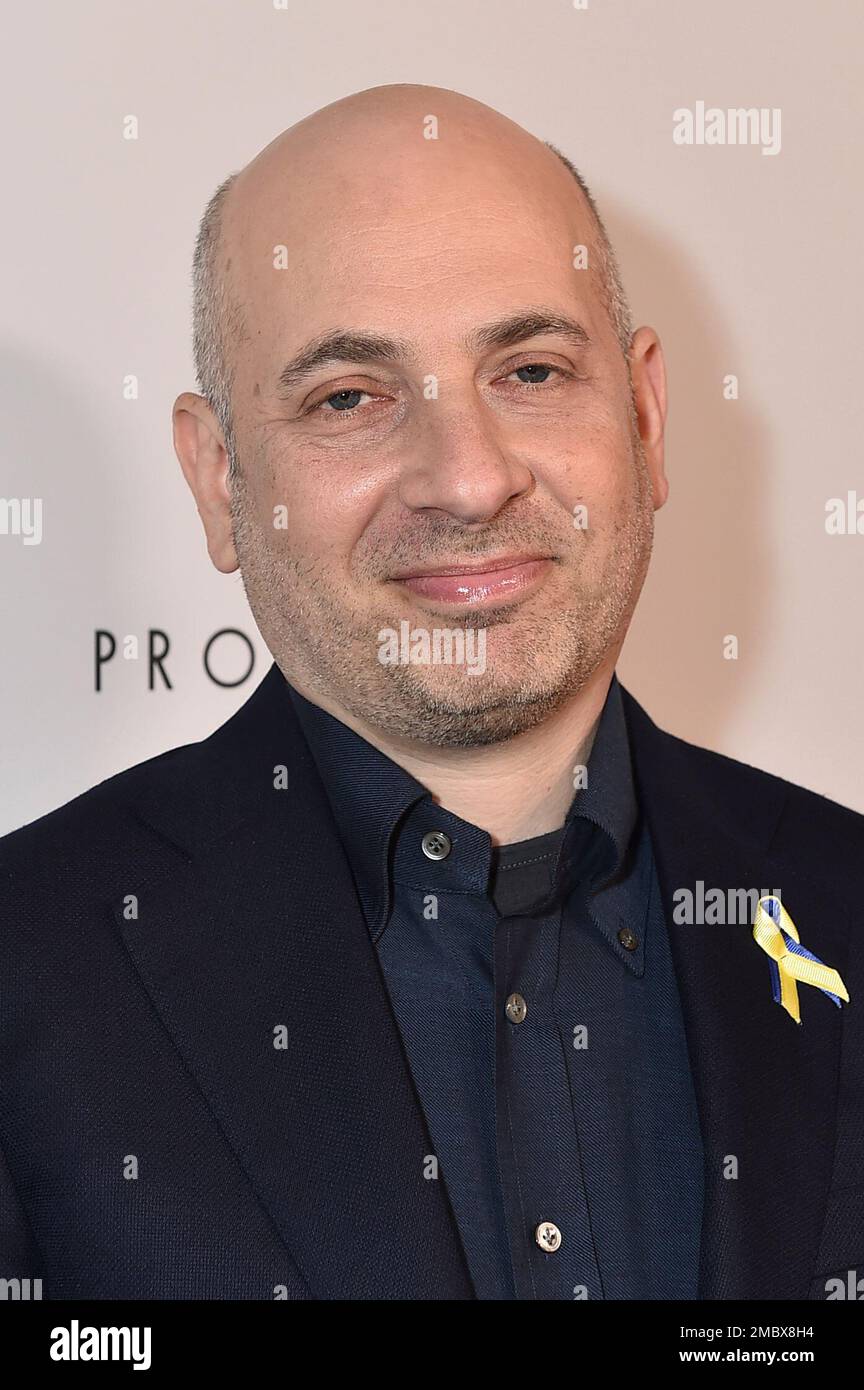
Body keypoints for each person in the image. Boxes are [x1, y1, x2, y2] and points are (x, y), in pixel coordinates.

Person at [1, 84, 862, 1302]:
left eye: (530, 368)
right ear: (217, 478)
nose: (465, 479)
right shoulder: (28, 968)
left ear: (648, 416)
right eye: (349, 397)